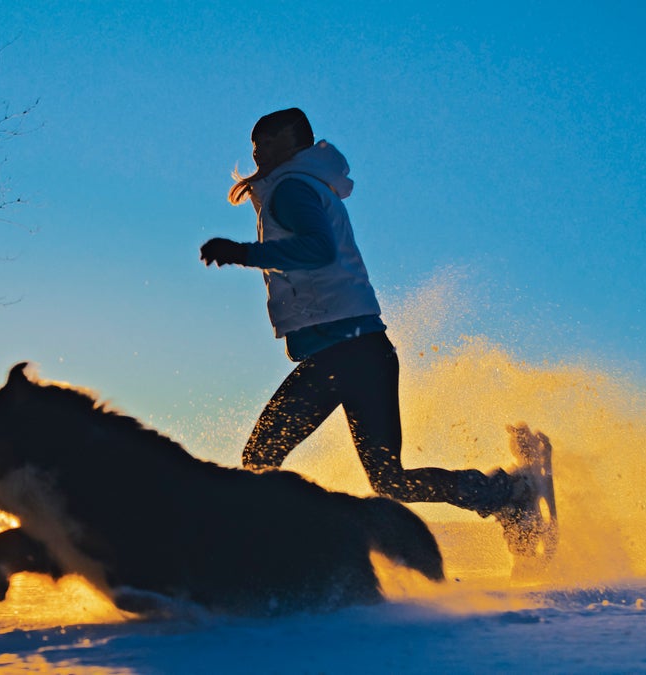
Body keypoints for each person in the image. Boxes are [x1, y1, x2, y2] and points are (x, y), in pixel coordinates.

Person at [199, 108, 544, 554]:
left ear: (294, 143)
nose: (257, 150)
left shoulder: (291, 188)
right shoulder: (302, 186)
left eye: (266, 141)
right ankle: (507, 496)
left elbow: (319, 250)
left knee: (259, 460)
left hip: (344, 353)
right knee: (389, 480)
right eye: (253, 143)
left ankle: (271, 562)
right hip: (362, 350)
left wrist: (242, 253)